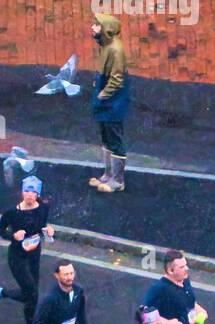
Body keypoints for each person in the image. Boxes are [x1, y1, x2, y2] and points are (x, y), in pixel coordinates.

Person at [0, 176, 55, 324]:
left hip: (34, 256)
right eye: (26, 191)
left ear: (37, 193)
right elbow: (0, 229)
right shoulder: (12, 213)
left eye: (33, 192)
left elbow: (42, 226)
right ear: (22, 192)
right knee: (32, 295)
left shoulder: (43, 208)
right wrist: (13, 236)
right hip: (17, 257)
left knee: (30, 294)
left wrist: (50, 232)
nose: (29, 195)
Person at [89, 14, 130, 194]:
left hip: (113, 101)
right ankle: (108, 174)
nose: (93, 27)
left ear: (106, 29)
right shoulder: (105, 47)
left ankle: (118, 180)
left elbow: (117, 79)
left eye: (97, 25)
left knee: (114, 137)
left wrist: (103, 95)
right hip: (105, 99)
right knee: (106, 136)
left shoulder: (115, 49)